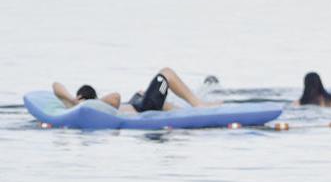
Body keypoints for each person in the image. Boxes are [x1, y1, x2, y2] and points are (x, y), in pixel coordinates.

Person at [53, 67, 220, 112]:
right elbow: (115, 97)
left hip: (137, 102)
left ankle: (194, 107)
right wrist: (87, 102)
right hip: (142, 107)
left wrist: (72, 99)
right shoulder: (95, 107)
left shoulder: (74, 105)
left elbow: (56, 86)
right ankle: (198, 105)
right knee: (166, 74)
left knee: (171, 106)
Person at [52, 82, 121, 109]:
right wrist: (72, 99)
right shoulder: (72, 105)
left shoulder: (99, 108)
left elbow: (116, 96)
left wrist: (93, 103)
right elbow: (55, 85)